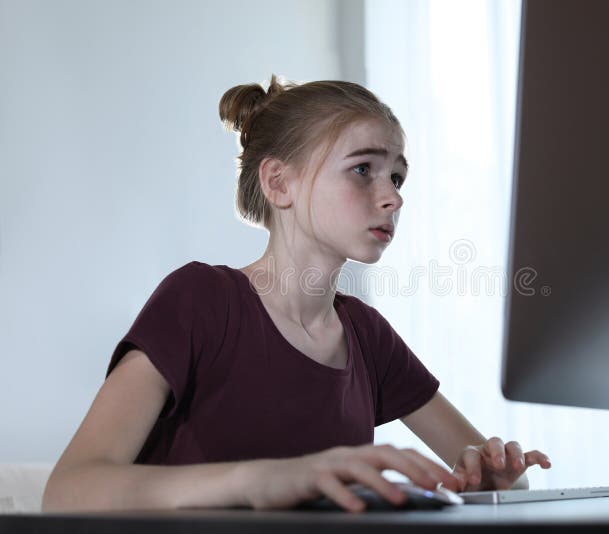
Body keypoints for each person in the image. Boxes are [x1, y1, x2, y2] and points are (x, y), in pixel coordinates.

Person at [42, 75, 551, 513]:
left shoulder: (367, 337)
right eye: (362, 169)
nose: (393, 195)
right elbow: (68, 490)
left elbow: (505, 478)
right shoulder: (200, 300)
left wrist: (495, 482)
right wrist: (257, 481)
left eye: (397, 176)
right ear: (279, 182)